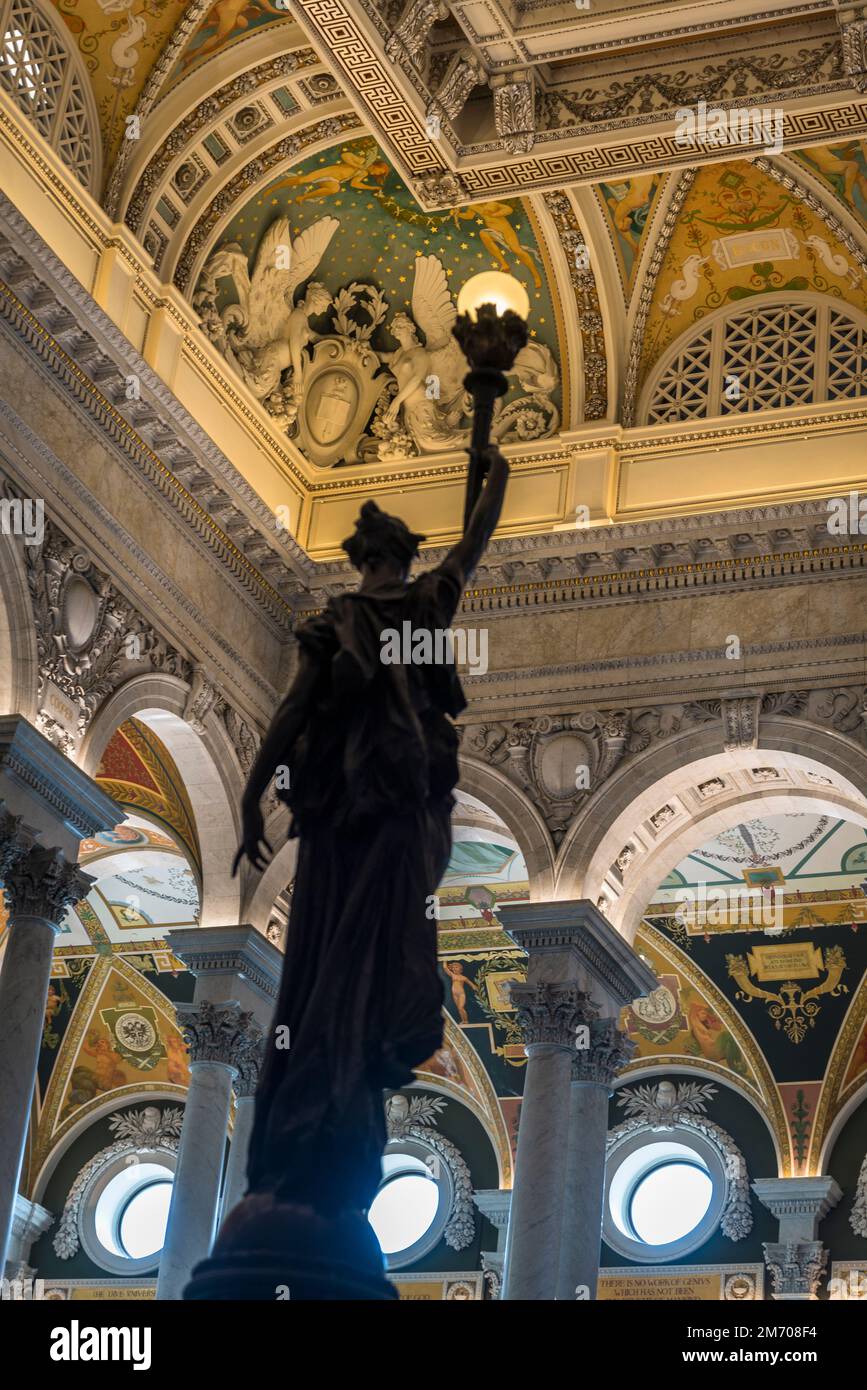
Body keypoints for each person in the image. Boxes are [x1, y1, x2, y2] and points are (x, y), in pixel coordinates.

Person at [232, 444, 510, 1216]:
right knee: (378, 953)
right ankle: (342, 1092)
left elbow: (291, 713)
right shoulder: (422, 605)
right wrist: (500, 479)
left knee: (324, 965)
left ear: (359, 558)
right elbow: (474, 542)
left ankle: (319, 1102)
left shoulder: (339, 621)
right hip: (394, 811)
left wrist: (256, 794)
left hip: (342, 819)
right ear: (400, 553)